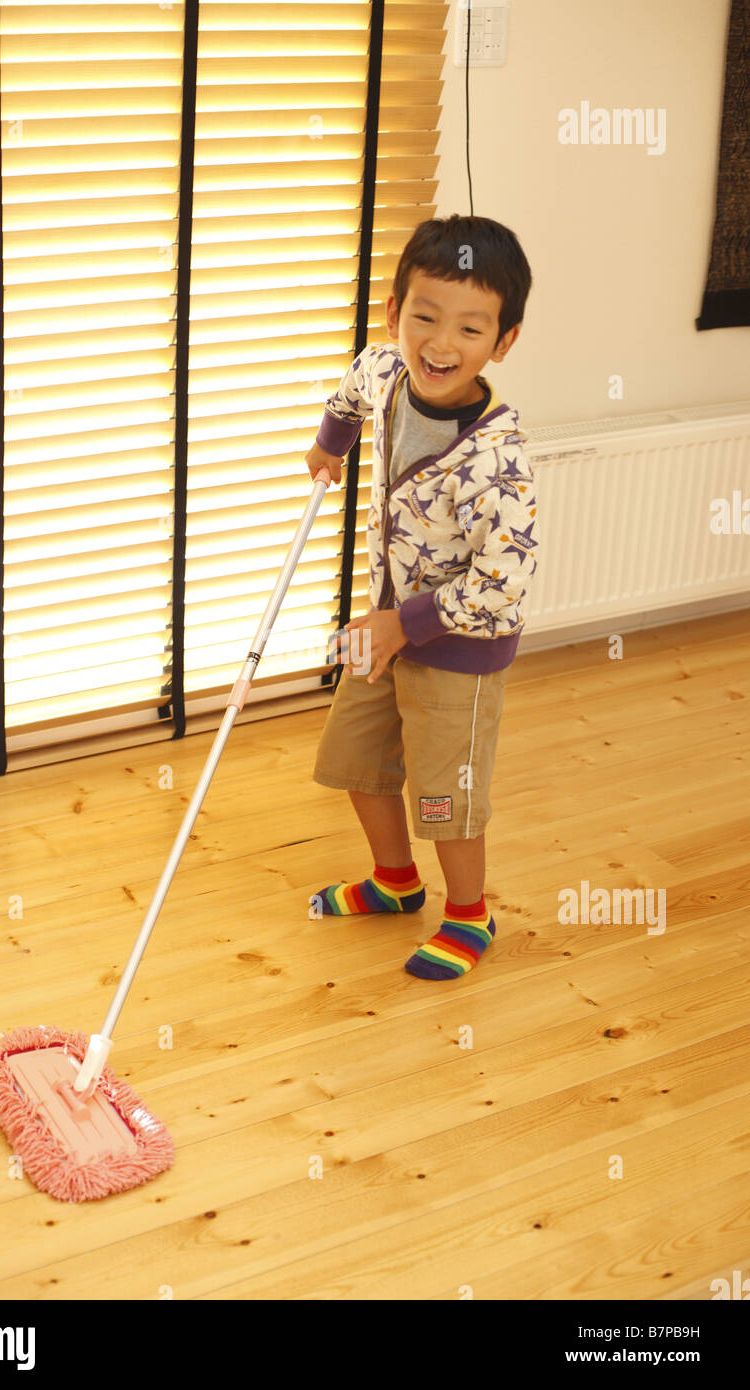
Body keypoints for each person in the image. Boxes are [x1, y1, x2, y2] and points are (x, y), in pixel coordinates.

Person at [305, 214, 538, 980]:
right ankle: (395, 881)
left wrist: (404, 625)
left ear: (502, 342)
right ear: (395, 312)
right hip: (386, 622)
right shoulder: (388, 371)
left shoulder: (498, 461)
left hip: (456, 652)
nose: (440, 344)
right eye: (424, 317)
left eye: (470, 328)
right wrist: (330, 445)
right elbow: (353, 389)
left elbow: (501, 585)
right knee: (355, 761)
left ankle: (470, 914)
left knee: (444, 795)